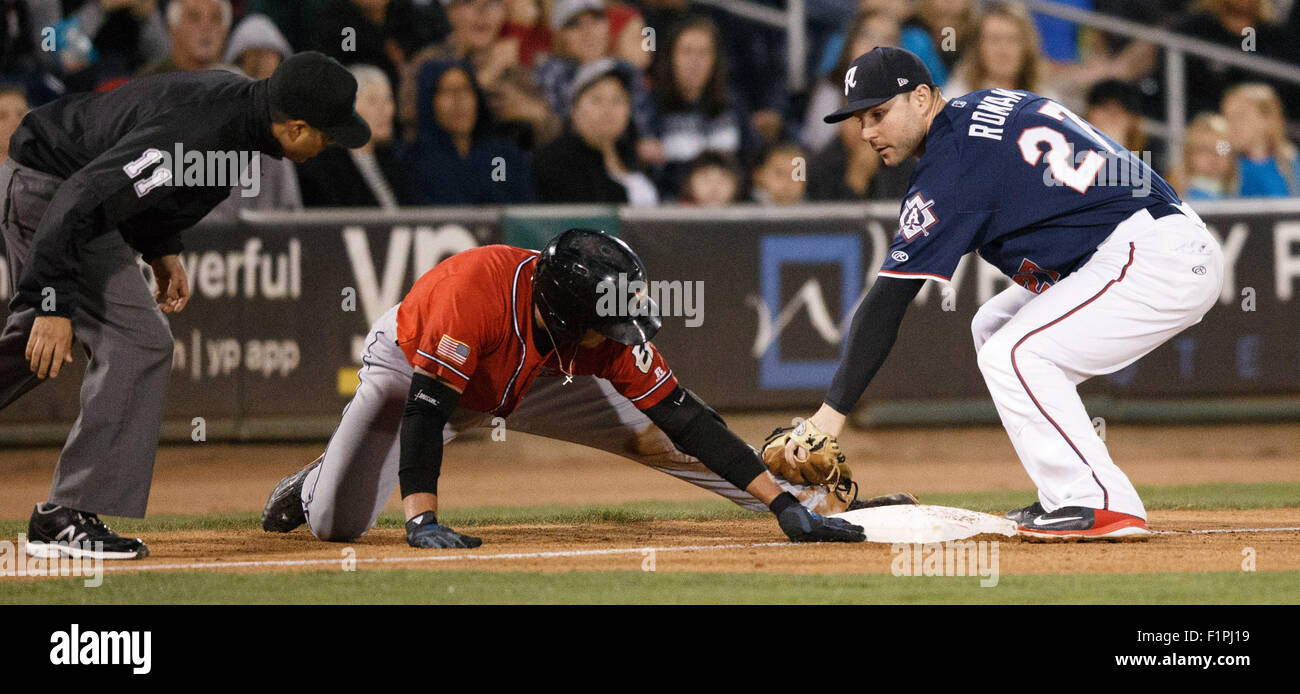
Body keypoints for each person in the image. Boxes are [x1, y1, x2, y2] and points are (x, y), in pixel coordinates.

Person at [784, 47, 1223, 540]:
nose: (867, 132)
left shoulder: (952, 167)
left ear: (924, 97)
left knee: (1015, 354)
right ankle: (1065, 496)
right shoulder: (982, 105)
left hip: (1152, 256)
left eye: (879, 113)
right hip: (1139, 244)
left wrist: (829, 416)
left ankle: (1101, 503)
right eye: (861, 119)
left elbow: (888, 300)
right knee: (993, 327)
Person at [260, 229, 867, 547]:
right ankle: (322, 477)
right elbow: (426, 411)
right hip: (413, 375)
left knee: (654, 435)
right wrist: (421, 520)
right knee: (334, 527)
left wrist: (784, 507)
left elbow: (687, 419)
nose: (621, 336)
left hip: (536, 378)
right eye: (610, 328)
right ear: (570, 316)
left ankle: (816, 509)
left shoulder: (595, 329)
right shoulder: (472, 290)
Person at [0, 51, 370, 560]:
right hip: (54, 197)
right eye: (327, 133)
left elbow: (145, 185)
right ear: (296, 126)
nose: (330, 144)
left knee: (31, 348)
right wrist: (52, 302)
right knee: (140, 340)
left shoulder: (243, 118)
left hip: (51, 189)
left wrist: (161, 248)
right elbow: (82, 199)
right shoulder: (205, 132)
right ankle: (65, 516)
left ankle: (67, 510)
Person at [399, 59, 534, 204]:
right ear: (429, 101)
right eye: (447, 91)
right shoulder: (411, 162)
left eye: (466, 89)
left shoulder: (501, 158)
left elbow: (524, 211)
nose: (459, 101)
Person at [647, 15, 754, 199]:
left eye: (704, 52)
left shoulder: (733, 103)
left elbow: (749, 160)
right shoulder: (652, 105)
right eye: (687, 51)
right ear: (670, 56)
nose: (695, 61)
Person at [532, 59, 658, 205]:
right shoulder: (554, 162)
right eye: (596, 100)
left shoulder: (635, 159)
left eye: (617, 100)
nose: (608, 109)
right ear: (574, 109)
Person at [297, 64, 407, 208]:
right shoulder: (322, 169)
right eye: (372, 101)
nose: (385, 110)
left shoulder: (395, 163)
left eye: (388, 99)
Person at [1220, 83, 1300, 197]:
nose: (1232, 125)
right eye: (1227, 117)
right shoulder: (1223, 166)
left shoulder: (1291, 166)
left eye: (1241, 116)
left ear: (1268, 120)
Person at [136, 0, 232, 76]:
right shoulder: (148, 82)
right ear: (173, 29)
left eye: (215, 19)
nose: (206, 28)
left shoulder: (237, 85)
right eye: (194, 18)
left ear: (225, 31)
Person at [1165, 112, 1237, 201]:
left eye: (1222, 149)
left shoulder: (1239, 189)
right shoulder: (1178, 192)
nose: (1214, 157)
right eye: (1204, 150)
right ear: (1189, 154)